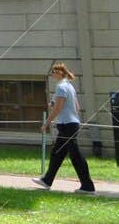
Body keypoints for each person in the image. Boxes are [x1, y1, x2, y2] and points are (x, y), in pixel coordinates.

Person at [33, 62, 96, 194]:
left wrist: (47, 123)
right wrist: (55, 104)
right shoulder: (69, 87)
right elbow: (76, 107)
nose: (52, 74)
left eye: (53, 72)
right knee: (57, 153)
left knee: (75, 156)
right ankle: (47, 180)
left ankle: (88, 186)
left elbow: (58, 108)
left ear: (60, 72)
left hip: (67, 126)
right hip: (70, 124)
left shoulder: (61, 87)